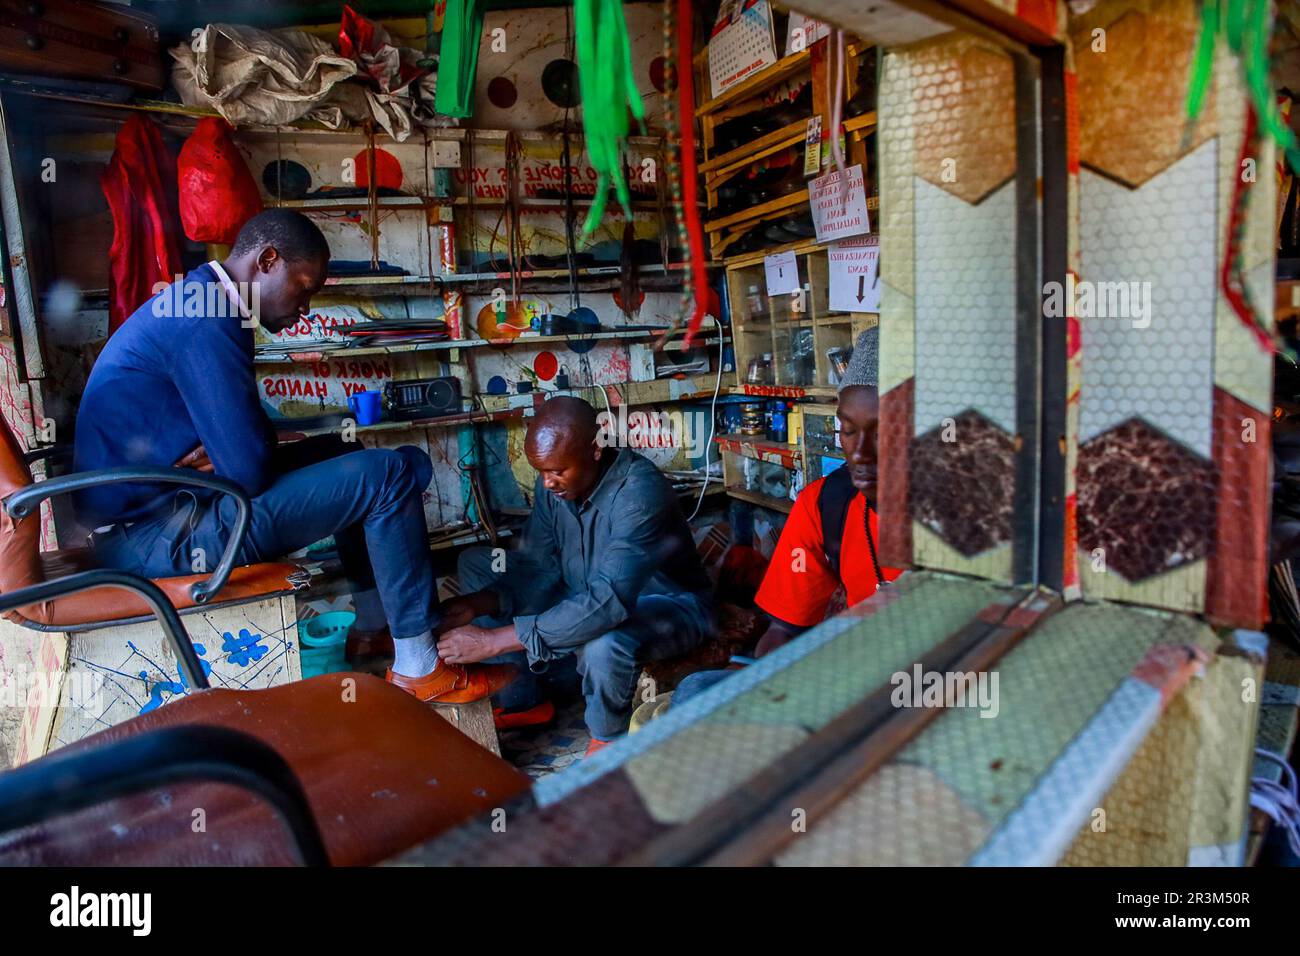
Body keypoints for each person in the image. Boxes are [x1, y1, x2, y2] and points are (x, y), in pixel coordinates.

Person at [73, 209, 512, 703]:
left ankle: (375, 626)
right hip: (158, 540)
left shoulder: (208, 304)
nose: (305, 307)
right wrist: (232, 454)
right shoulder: (207, 319)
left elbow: (248, 442)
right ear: (267, 260)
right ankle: (420, 666)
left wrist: (229, 453)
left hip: (172, 513)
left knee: (345, 448)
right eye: (303, 287)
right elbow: (249, 468)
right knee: (386, 474)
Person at [436, 396, 716, 754]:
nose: (548, 482)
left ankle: (607, 741)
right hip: (581, 589)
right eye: (541, 471)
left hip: (668, 606)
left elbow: (609, 600)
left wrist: (493, 640)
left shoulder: (639, 491)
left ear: (596, 448)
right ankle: (525, 697)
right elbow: (540, 566)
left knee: (605, 642)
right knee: (477, 563)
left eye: (557, 471)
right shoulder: (552, 486)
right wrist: (480, 603)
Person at [676, 328, 901, 705]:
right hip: (857, 678)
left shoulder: (971, 513)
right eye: (847, 430)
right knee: (696, 694)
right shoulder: (827, 504)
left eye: (885, 432)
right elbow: (784, 631)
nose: (860, 452)